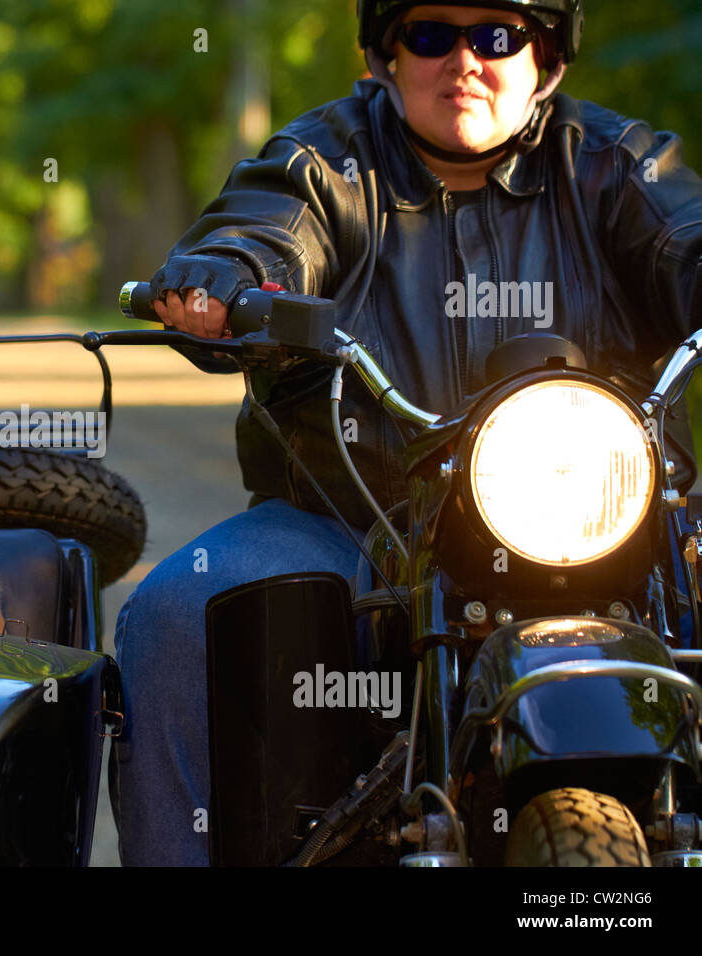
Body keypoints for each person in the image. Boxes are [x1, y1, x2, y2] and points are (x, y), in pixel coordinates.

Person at [113, 0, 702, 866]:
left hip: (613, 520)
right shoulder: (325, 164)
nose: (464, 59)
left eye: (497, 36)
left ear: (548, 60)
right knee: (180, 612)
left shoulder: (616, 165)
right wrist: (228, 274)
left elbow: (685, 239)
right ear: (386, 57)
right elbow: (265, 231)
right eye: (432, 35)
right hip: (357, 516)